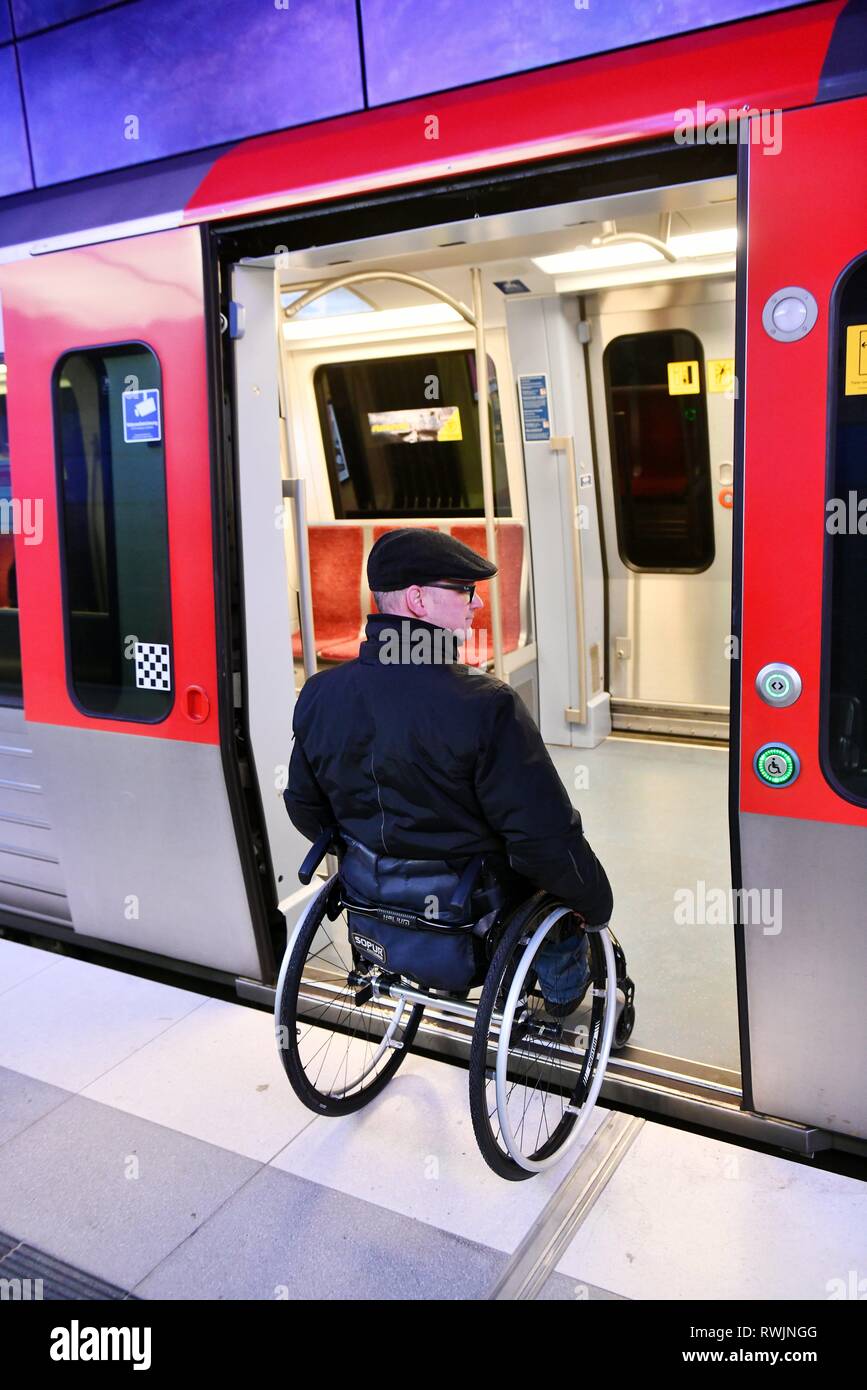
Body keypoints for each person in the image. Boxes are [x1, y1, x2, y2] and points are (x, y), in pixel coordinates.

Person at [283, 527, 613, 1015]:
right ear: (417, 600)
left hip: (371, 895)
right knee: (558, 887)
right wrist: (595, 901)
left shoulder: (319, 693)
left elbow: (306, 807)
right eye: (463, 590)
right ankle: (563, 993)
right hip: (469, 909)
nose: (475, 604)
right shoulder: (486, 705)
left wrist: (378, 851)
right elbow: (542, 838)